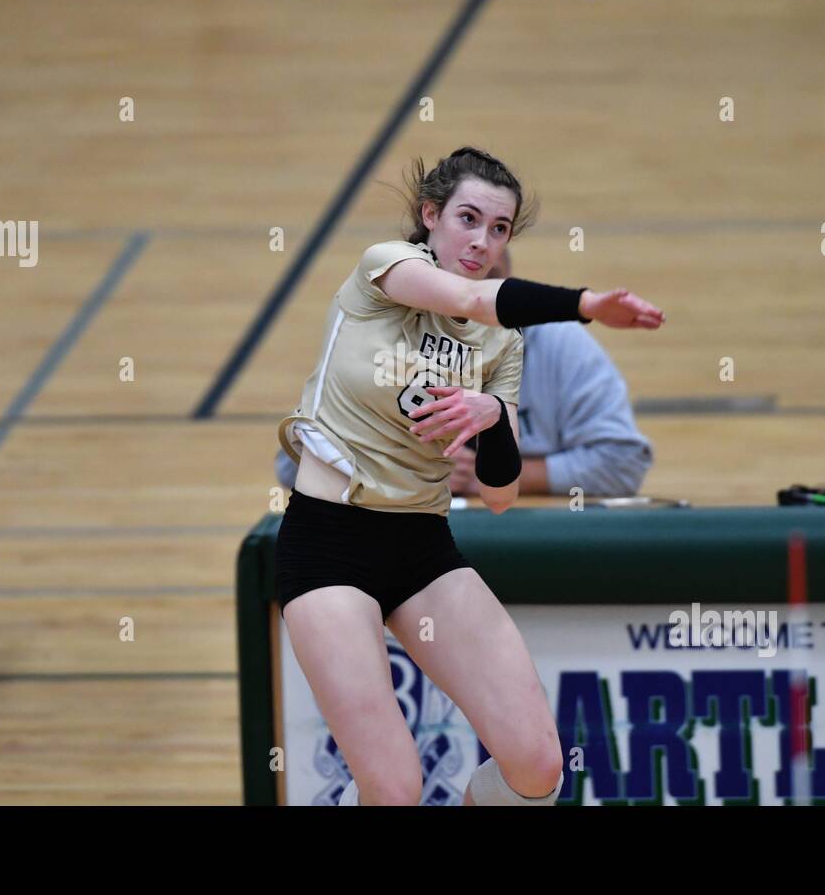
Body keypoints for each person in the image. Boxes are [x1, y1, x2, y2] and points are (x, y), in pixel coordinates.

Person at [274, 147, 664, 805]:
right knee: (395, 786)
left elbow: (502, 495)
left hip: (422, 547)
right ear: (430, 216)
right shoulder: (384, 269)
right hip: (327, 543)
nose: (482, 240)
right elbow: (464, 297)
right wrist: (589, 302)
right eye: (468, 219)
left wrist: (491, 419)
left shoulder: (502, 344)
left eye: (500, 228)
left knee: (538, 765)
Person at [273, 246, 653, 498]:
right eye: (463, 291)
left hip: (525, 542)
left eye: (493, 292)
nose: (478, 306)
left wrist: (494, 475)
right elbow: (293, 463)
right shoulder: (382, 337)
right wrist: (410, 469)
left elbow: (623, 464)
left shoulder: (560, 343)